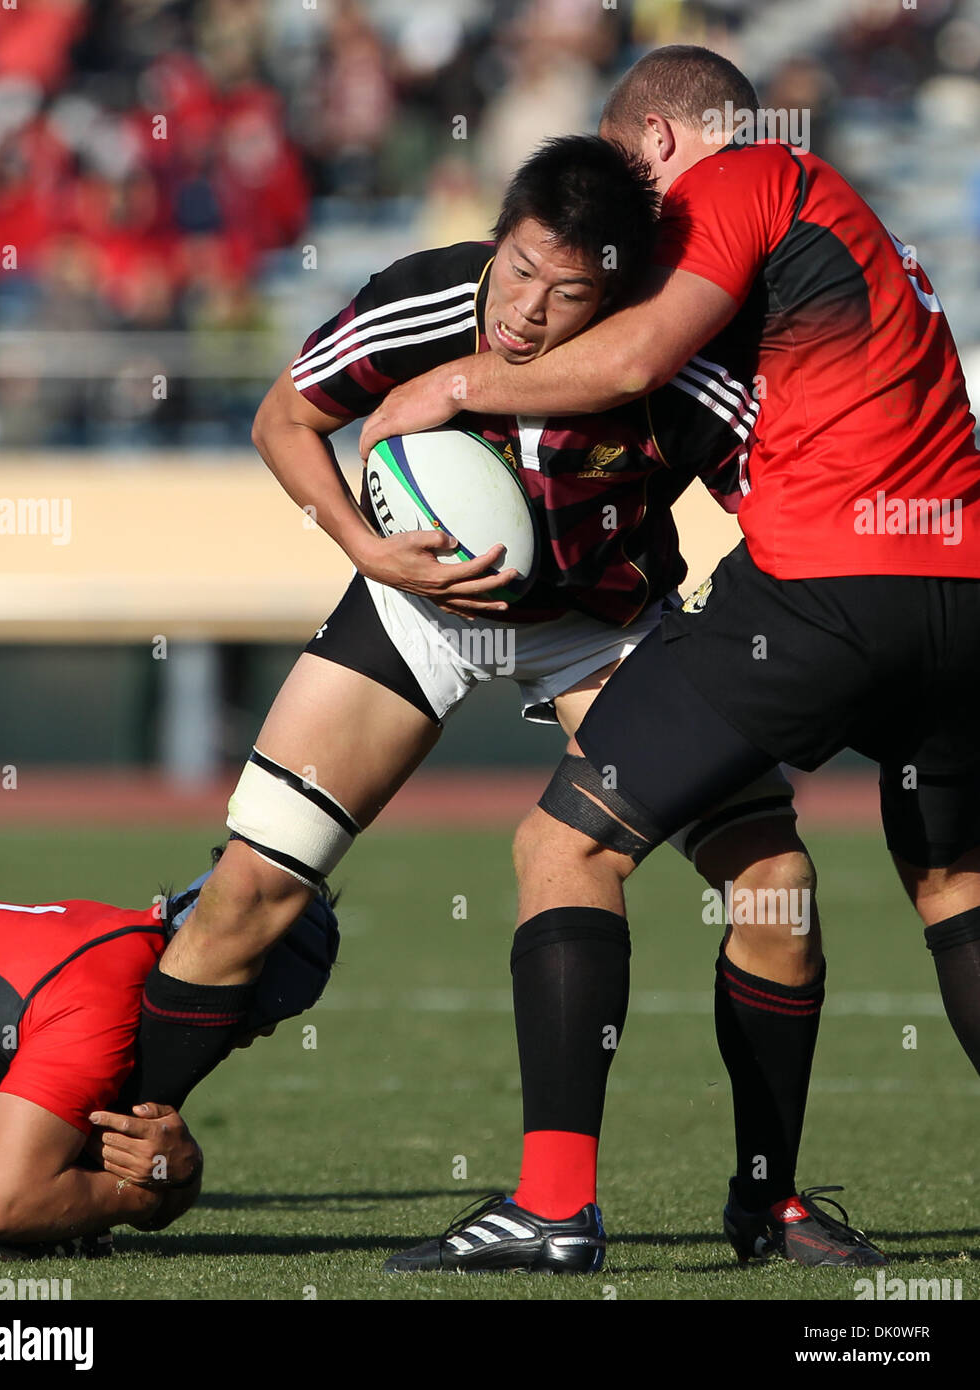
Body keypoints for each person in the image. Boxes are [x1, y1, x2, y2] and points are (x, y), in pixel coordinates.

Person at [124, 133, 878, 1271]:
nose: (527, 310)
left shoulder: (675, 361)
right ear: (498, 238)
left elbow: (789, 505)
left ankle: (766, 1202)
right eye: (519, 269)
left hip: (602, 628)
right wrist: (366, 548)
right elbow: (286, 419)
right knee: (250, 888)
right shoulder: (422, 297)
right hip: (415, 607)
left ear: (619, 292)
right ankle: (111, 1140)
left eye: (568, 292)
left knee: (775, 887)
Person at [363, 45, 979, 1274]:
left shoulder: (744, 179)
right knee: (955, 894)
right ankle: (767, 1204)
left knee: (563, 843)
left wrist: (453, 386)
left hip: (826, 590)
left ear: (658, 144)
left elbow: (638, 360)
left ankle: (551, 1208)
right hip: (961, 593)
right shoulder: (844, 219)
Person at [0, 861, 338, 1262]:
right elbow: (1, 1202)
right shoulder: (106, 997)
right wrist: (148, 1193)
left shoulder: (122, 948)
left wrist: (172, 1174)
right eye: (270, 1016)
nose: (266, 1033)